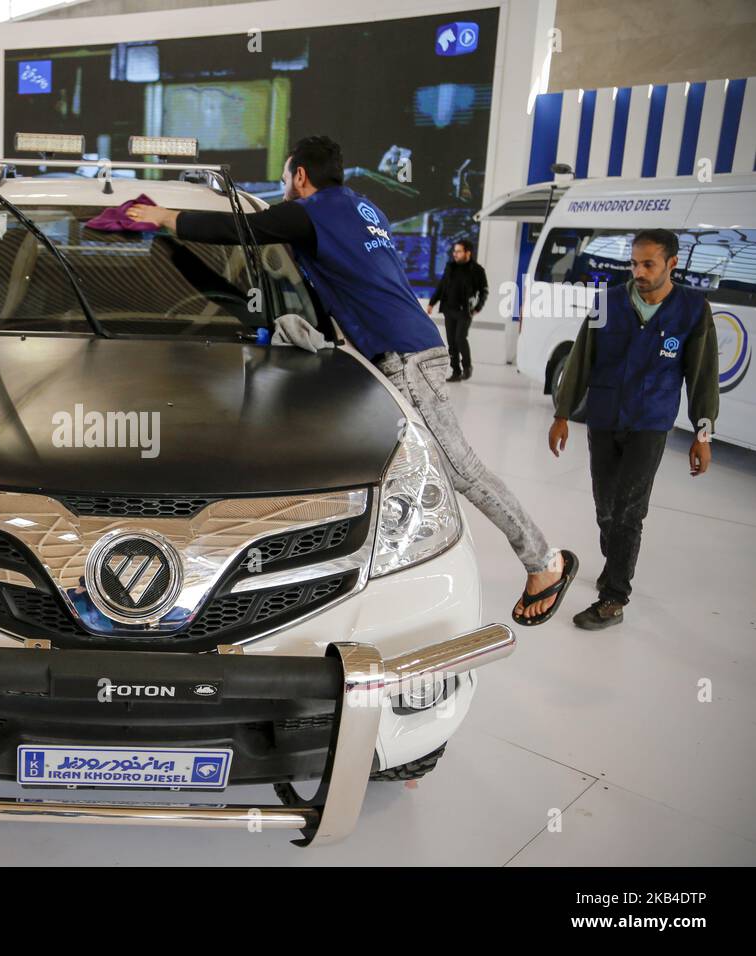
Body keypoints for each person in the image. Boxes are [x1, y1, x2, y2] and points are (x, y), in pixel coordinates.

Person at [128, 135, 578, 626]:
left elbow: (245, 229)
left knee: (459, 469)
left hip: (405, 357)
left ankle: (543, 561)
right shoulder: (363, 209)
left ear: (301, 176)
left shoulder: (312, 212)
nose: (283, 186)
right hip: (405, 349)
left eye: (285, 176)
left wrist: (165, 219)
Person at [548, 229, 718, 630]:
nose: (638, 272)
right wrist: (562, 414)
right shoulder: (607, 303)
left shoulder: (693, 309)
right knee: (605, 507)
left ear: (671, 264)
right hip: (605, 419)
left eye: (648, 264)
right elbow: (581, 359)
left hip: (650, 423)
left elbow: (702, 375)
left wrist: (702, 432)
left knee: (629, 511)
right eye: (634, 263)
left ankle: (613, 598)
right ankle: (616, 559)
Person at [427, 238, 488, 381]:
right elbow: (442, 285)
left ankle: (467, 367)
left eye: (459, 251)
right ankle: (455, 371)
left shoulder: (477, 270)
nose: (455, 254)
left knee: (460, 338)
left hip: (465, 311)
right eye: (454, 251)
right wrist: (432, 303)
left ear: (468, 253)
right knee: (451, 342)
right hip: (449, 309)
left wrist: (478, 307)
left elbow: (484, 291)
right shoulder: (450, 267)